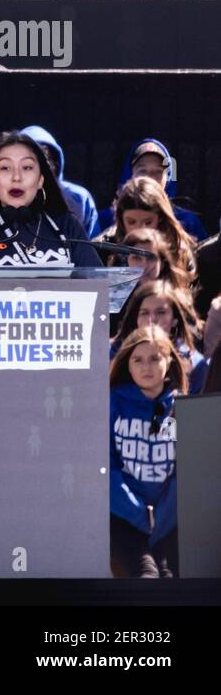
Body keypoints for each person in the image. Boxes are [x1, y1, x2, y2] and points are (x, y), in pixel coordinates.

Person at [0, 130, 103, 271]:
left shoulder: (67, 227)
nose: (16, 177)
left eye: (27, 168)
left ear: (40, 180)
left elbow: (101, 284)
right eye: (5, 168)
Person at [109, 326, 185, 578]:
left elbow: (185, 473)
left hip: (168, 521)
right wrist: (138, 513)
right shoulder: (112, 402)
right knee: (146, 577)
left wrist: (161, 517)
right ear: (127, 365)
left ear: (169, 361)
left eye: (155, 358)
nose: (146, 367)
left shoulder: (182, 407)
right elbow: (107, 466)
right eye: (138, 360)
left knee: (170, 578)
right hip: (124, 518)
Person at [96, 138, 207, 240]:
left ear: (168, 178)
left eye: (158, 171)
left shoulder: (188, 221)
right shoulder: (106, 219)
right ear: (130, 174)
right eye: (142, 171)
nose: (150, 177)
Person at [111, 280, 208, 395]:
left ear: (174, 320)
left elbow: (202, 411)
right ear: (135, 319)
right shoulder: (111, 355)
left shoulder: (196, 366)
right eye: (144, 313)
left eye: (161, 312)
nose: (152, 319)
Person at [96, 177, 196, 280]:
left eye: (148, 222)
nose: (139, 229)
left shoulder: (179, 251)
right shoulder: (103, 249)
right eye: (131, 222)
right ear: (121, 220)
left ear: (161, 218)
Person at [20, 125, 100, 238]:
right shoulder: (5, 200)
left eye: (44, 166)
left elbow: (93, 244)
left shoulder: (78, 199)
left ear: (55, 167)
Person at [118, 227, 194, 293]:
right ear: (126, 261)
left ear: (162, 264)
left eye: (151, 258)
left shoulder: (177, 300)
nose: (144, 266)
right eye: (137, 258)